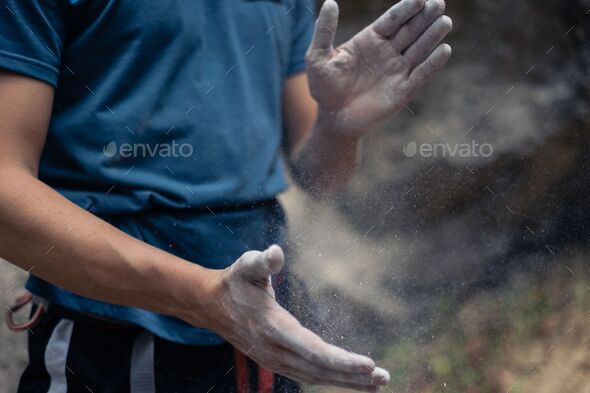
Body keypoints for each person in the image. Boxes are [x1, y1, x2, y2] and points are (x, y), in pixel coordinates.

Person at [0, 0, 451, 391]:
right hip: (119, 331)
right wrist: (203, 296)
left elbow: (319, 178)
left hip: (262, 322)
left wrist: (338, 124)